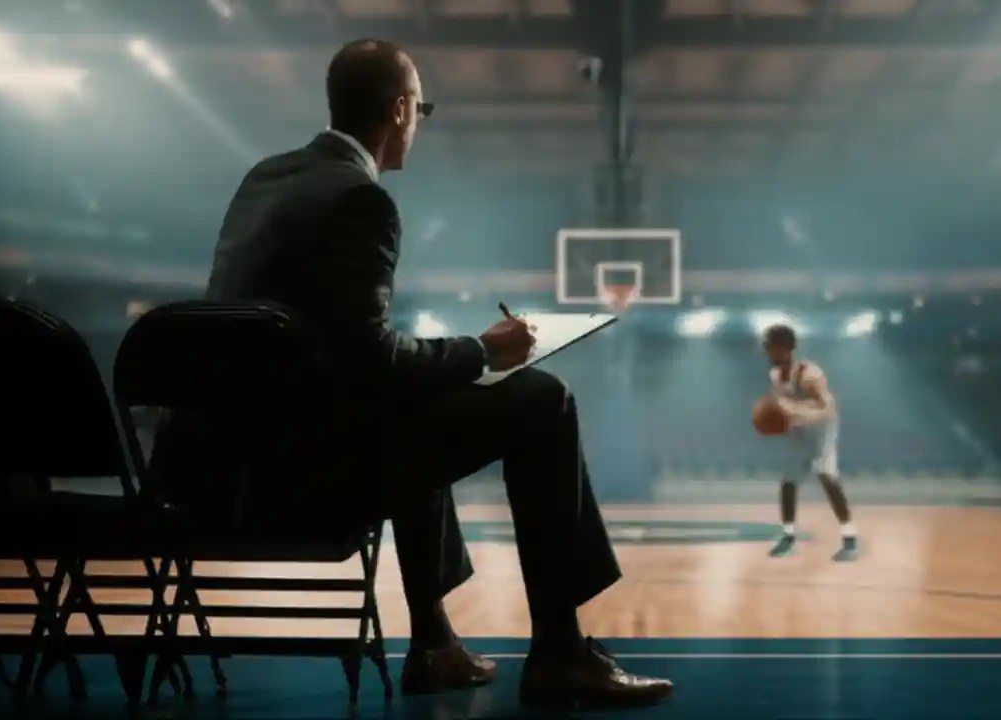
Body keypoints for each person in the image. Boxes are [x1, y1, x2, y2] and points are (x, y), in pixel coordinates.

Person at [201, 39, 672, 708]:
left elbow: (334, 352)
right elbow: (366, 357)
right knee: (543, 399)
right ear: (399, 110)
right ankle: (561, 652)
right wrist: (482, 352)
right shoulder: (361, 201)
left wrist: (449, 361)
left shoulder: (266, 178)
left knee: (417, 397)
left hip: (222, 460)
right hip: (303, 476)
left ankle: (434, 644)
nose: (417, 121)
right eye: (419, 107)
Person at [760, 324, 859, 561]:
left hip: (822, 429)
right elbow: (783, 404)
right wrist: (780, 420)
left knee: (827, 478)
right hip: (799, 429)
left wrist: (794, 412)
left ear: (784, 348)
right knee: (788, 483)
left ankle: (850, 539)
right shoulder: (775, 375)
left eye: (770, 347)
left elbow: (824, 406)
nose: (767, 352)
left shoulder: (810, 373)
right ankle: (788, 536)